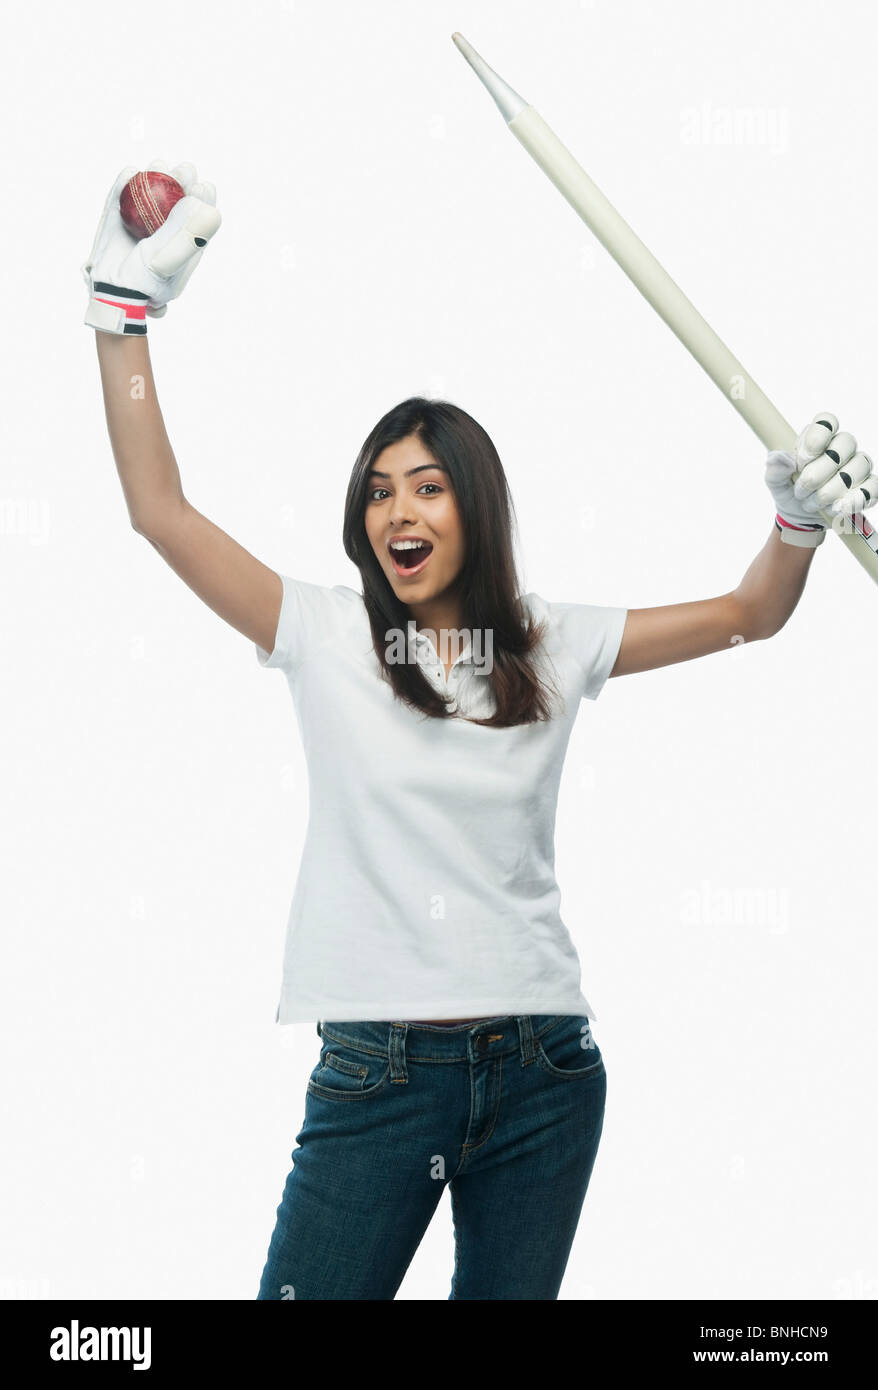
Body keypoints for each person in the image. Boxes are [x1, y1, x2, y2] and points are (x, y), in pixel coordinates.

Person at [83, 162, 876, 1300]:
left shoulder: (550, 640)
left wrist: (795, 523)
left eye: (425, 487)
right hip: (376, 1073)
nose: (396, 510)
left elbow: (750, 615)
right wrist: (123, 324)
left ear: (474, 502)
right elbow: (158, 510)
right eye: (376, 493)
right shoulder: (323, 632)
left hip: (544, 1067)